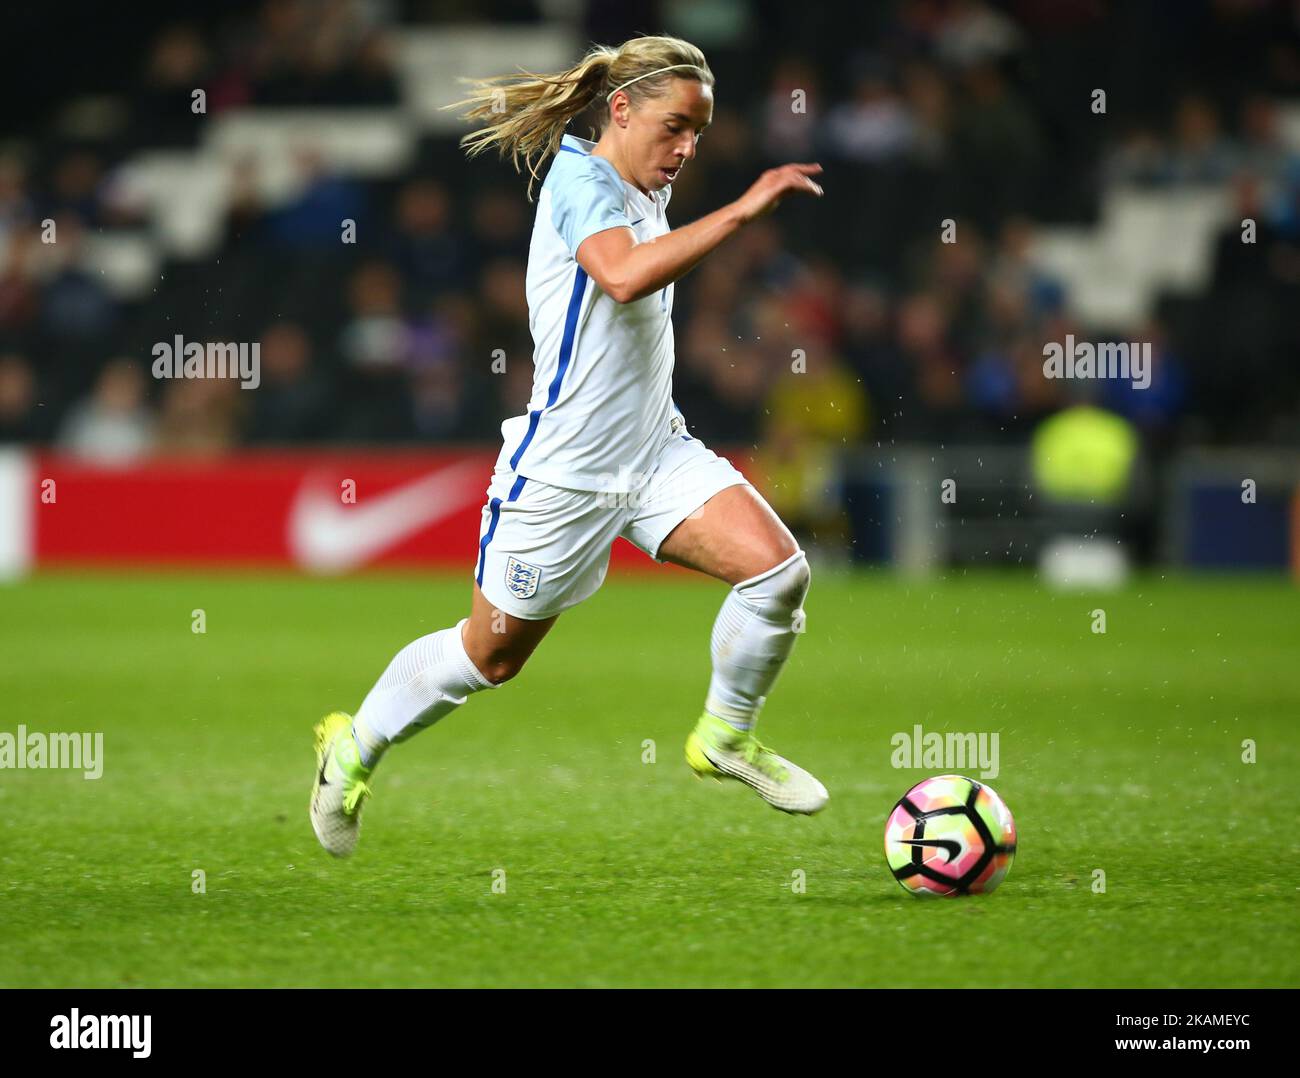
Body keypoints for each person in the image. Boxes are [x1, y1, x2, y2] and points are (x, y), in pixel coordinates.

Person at [310, 34, 828, 857]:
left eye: (697, 132)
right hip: (563, 472)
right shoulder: (580, 179)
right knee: (491, 657)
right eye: (674, 127)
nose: (686, 148)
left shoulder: (643, 182)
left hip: (656, 452)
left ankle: (725, 738)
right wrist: (740, 210)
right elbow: (621, 276)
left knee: (778, 573)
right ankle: (355, 745)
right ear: (620, 109)